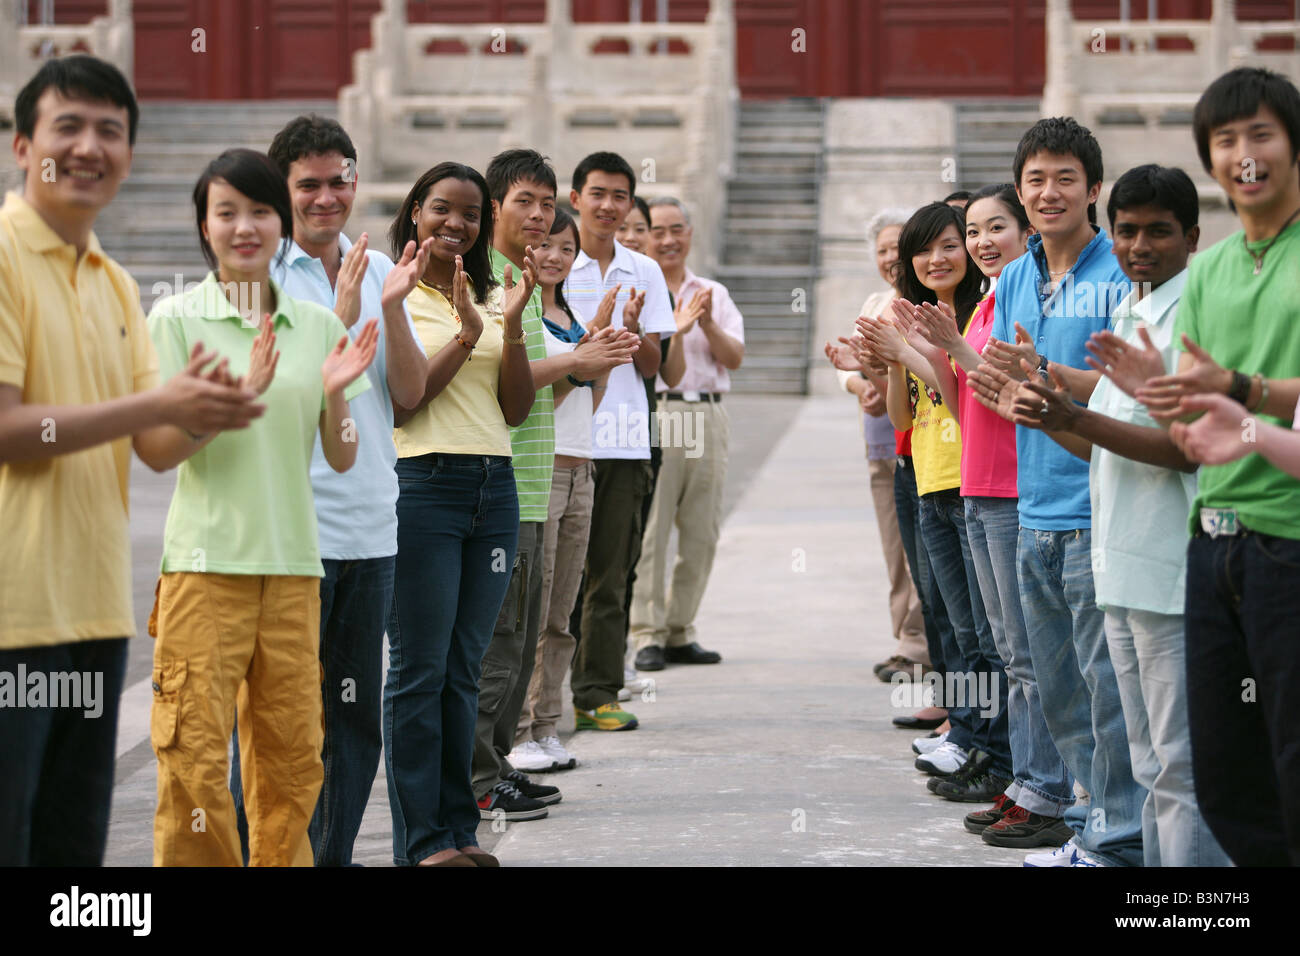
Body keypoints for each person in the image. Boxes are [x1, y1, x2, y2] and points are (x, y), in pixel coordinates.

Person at [0, 56, 263, 866]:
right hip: (12, 616)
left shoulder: (114, 282)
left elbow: (152, 451)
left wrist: (214, 411)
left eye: (109, 131)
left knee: (70, 851)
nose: (89, 147)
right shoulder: (4, 256)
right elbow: (9, 430)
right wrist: (159, 405)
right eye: (67, 127)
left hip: (94, 612)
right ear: (22, 146)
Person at [148, 148, 377, 866]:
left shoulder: (316, 326)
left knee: (292, 761)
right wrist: (234, 401)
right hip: (204, 568)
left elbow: (341, 456)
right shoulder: (177, 318)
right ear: (204, 226)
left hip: (293, 571)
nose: (244, 227)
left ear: (280, 223)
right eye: (227, 213)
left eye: (259, 212)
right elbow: (159, 448)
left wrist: (336, 390)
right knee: (192, 763)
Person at [1002, 164, 1230, 866]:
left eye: (1158, 232)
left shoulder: (1196, 317)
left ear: (1192, 238)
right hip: (1120, 561)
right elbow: (1098, 440)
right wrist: (1044, 414)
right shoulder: (1132, 313)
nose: (1138, 245)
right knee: (1151, 760)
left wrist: (1074, 416)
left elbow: (1188, 451)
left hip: (1172, 567)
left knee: (1183, 764)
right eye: (1127, 231)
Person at [229, 115, 427, 867]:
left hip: (371, 528)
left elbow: (407, 398)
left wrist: (394, 306)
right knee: (280, 726)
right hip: (289, 536)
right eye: (307, 184)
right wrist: (336, 323)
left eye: (339, 179)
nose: (326, 196)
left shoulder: (379, 271)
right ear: (281, 192)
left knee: (351, 727)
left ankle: (329, 857)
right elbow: (267, 403)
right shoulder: (258, 279)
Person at [967, 117, 1144, 868]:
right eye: (1035, 179)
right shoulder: (1014, 275)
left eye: (1065, 178)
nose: (1048, 192)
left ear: (1093, 189)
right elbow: (1011, 378)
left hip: (1097, 505)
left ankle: (1122, 841)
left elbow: (1140, 387)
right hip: (1028, 505)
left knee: (1108, 693)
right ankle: (1090, 822)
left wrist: (1051, 381)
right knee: (1059, 689)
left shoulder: (1120, 273)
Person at [1138, 67, 1300, 866]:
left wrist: (1241, 396)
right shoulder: (1212, 270)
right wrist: (1154, 397)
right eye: (1227, 139)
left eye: (1261, 134)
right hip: (1217, 538)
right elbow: (1196, 423)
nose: (1244, 154)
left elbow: (1245, 401)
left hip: (1290, 536)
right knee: (1227, 781)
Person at [905, 184, 1074, 841]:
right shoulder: (991, 301)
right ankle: (1026, 781)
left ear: (1024, 225)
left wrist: (946, 346)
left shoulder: (1022, 292)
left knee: (1029, 654)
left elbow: (1009, 388)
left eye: (992, 228)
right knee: (1009, 651)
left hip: (1011, 486)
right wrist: (925, 351)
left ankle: (1044, 790)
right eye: (971, 231)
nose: (981, 243)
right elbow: (960, 392)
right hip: (976, 483)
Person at [384, 162, 537, 864]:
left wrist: (506, 327)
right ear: (416, 211)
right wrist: (467, 336)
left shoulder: (488, 290)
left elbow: (514, 408)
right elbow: (406, 400)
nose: (456, 224)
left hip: (493, 486)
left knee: (464, 669)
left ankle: (459, 831)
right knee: (419, 668)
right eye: (441, 209)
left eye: (470, 214)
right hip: (425, 484)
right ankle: (422, 841)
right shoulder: (394, 293)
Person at [858, 202, 1009, 794]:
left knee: (983, 633)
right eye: (923, 250)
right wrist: (893, 362)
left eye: (950, 244)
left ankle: (993, 752)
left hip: (970, 480)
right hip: (928, 478)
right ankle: (969, 736)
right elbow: (905, 413)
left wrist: (917, 351)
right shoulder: (919, 318)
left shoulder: (977, 316)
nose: (935, 258)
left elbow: (964, 399)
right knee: (953, 626)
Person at [510, 209, 636, 772]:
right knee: (530, 612)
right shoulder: (523, 312)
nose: (556, 257)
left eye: (568, 248)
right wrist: (581, 367)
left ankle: (546, 724)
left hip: (582, 466)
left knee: (563, 613)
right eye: (548, 246)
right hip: (541, 469)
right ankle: (516, 732)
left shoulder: (572, 315)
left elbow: (590, 397)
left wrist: (600, 356)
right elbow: (535, 401)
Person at [563, 152, 675, 730]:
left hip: (625, 438)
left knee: (611, 572)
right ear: (576, 196)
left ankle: (596, 693)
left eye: (620, 196)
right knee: (557, 578)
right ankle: (541, 698)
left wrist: (632, 331)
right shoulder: (554, 263)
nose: (608, 206)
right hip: (563, 436)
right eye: (598, 194)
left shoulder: (644, 271)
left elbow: (656, 365)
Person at [626, 196, 743, 671]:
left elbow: (734, 357)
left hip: (707, 413)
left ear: (691, 233)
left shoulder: (711, 290)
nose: (668, 239)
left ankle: (680, 629)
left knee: (701, 529)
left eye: (677, 229)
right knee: (652, 527)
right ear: (645, 235)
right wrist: (674, 325)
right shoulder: (638, 288)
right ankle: (647, 632)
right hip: (658, 411)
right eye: (658, 230)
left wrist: (706, 321)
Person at [824, 207, 930, 686]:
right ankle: (903, 641)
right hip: (879, 438)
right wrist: (858, 385)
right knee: (894, 547)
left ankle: (917, 646)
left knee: (918, 550)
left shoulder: (922, 304)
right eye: (883, 249)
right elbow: (851, 363)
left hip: (918, 440)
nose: (891, 257)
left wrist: (876, 375)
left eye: (899, 247)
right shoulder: (874, 302)